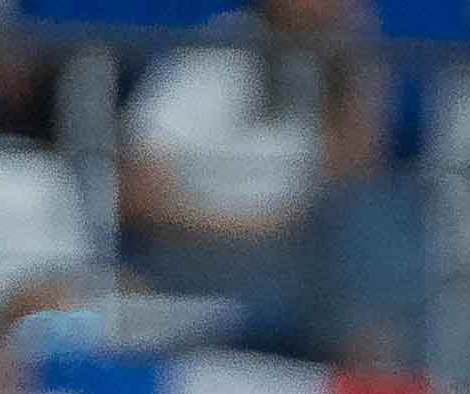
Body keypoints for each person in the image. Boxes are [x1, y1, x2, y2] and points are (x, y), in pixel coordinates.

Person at [124, 0, 422, 366]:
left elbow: (355, 176)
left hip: (305, 254)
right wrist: (260, 227)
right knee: (373, 248)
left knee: (385, 218)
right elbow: (136, 195)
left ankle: (386, 379)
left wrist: (359, 67)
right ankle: (382, 386)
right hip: (206, 251)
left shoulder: (330, 65)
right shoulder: (215, 58)